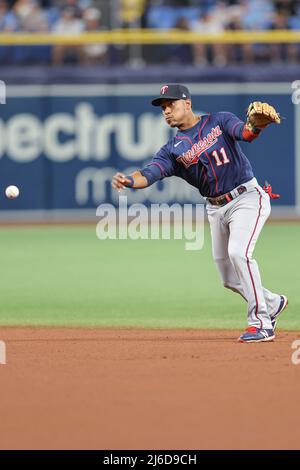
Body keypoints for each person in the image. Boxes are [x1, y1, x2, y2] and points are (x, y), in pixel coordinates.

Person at [111, 84, 288, 343]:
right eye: (163, 108)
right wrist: (128, 180)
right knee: (228, 277)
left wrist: (256, 127)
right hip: (215, 208)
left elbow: (245, 133)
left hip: (246, 198)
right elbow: (149, 173)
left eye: (171, 104)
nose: (167, 111)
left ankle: (261, 323)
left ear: (188, 103)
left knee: (239, 253)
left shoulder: (219, 121)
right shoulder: (172, 150)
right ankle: (272, 303)